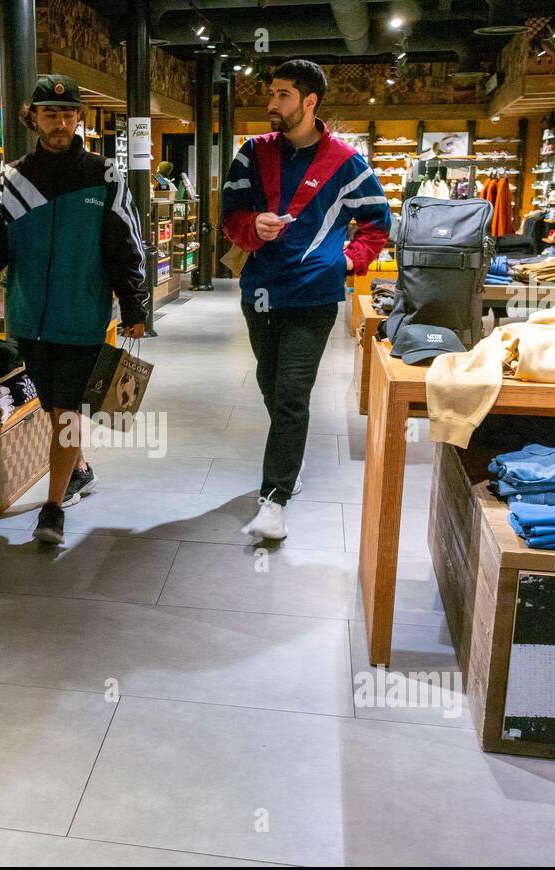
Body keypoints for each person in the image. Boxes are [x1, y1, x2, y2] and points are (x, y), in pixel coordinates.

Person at [0, 74, 149, 544]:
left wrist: (134, 305)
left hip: (82, 319)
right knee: (52, 410)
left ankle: (52, 508)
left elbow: (125, 244)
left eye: (67, 113)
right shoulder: (14, 179)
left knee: (67, 413)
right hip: (26, 321)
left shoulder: (103, 175)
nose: (60, 122)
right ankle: (80, 468)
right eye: (50, 113)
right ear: (34, 118)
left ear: (78, 118)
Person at [221, 59, 390, 541]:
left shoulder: (346, 162)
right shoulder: (251, 154)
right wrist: (252, 225)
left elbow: (378, 221)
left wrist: (348, 262)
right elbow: (229, 215)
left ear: (310, 101)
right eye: (271, 93)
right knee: (271, 385)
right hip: (259, 292)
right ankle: (289, 460)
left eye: (282, 95)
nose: (272, 104)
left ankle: (273, 497)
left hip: (314, 296)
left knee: (292, 395)